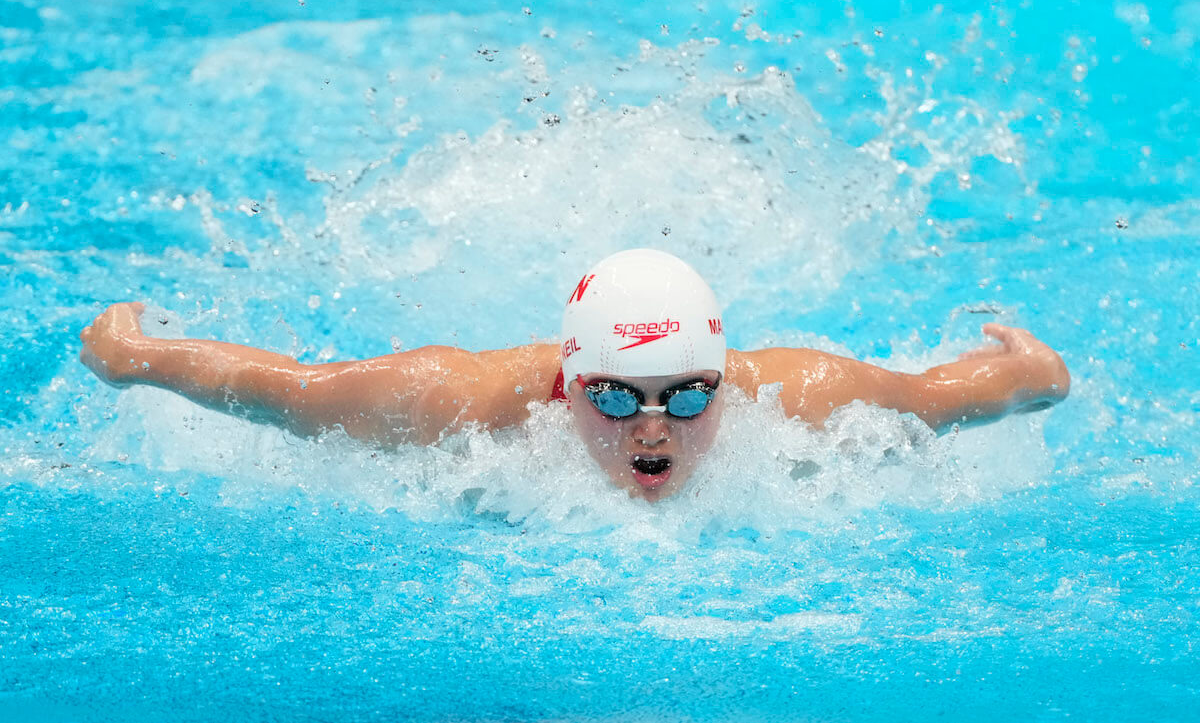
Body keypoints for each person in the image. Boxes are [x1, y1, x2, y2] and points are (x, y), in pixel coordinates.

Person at [79, 248, 1070, 501]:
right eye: (614, 396)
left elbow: (952, 395)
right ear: (567, 380)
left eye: (689, 393)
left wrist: (1035, 371)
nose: (654, 428)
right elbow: (290, 389)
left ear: (725, 377)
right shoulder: (458, 402)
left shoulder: (806, 398)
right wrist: (135, 357)